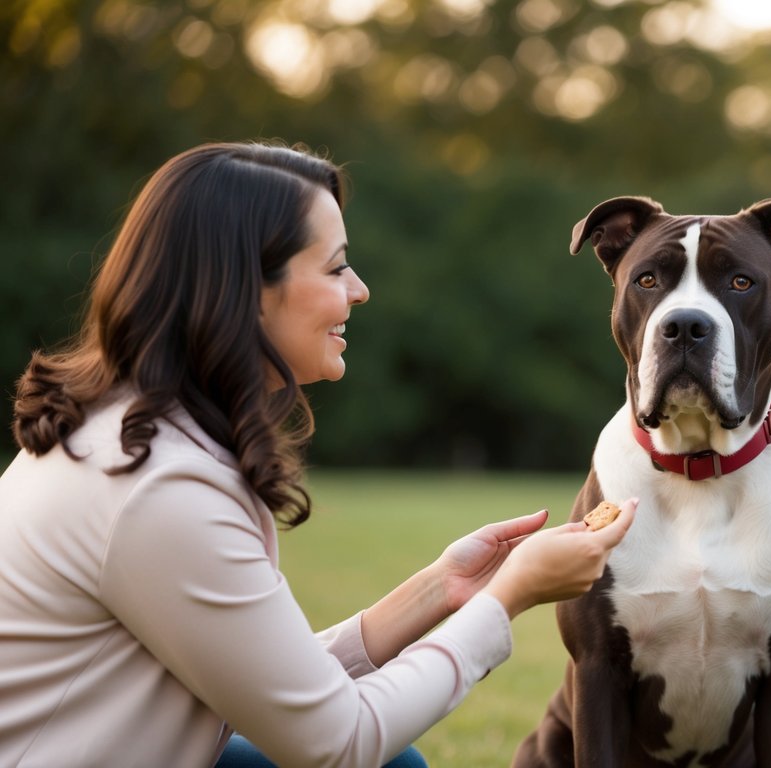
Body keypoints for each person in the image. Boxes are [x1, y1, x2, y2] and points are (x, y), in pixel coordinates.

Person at [0, 141, 635, 768]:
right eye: (335, 268)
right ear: (244, 289)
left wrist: (442, 589)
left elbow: (275, 683)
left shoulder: (138, 432)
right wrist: (512, 596)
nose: (359, 290)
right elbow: (337, 743)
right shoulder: (158, 489)